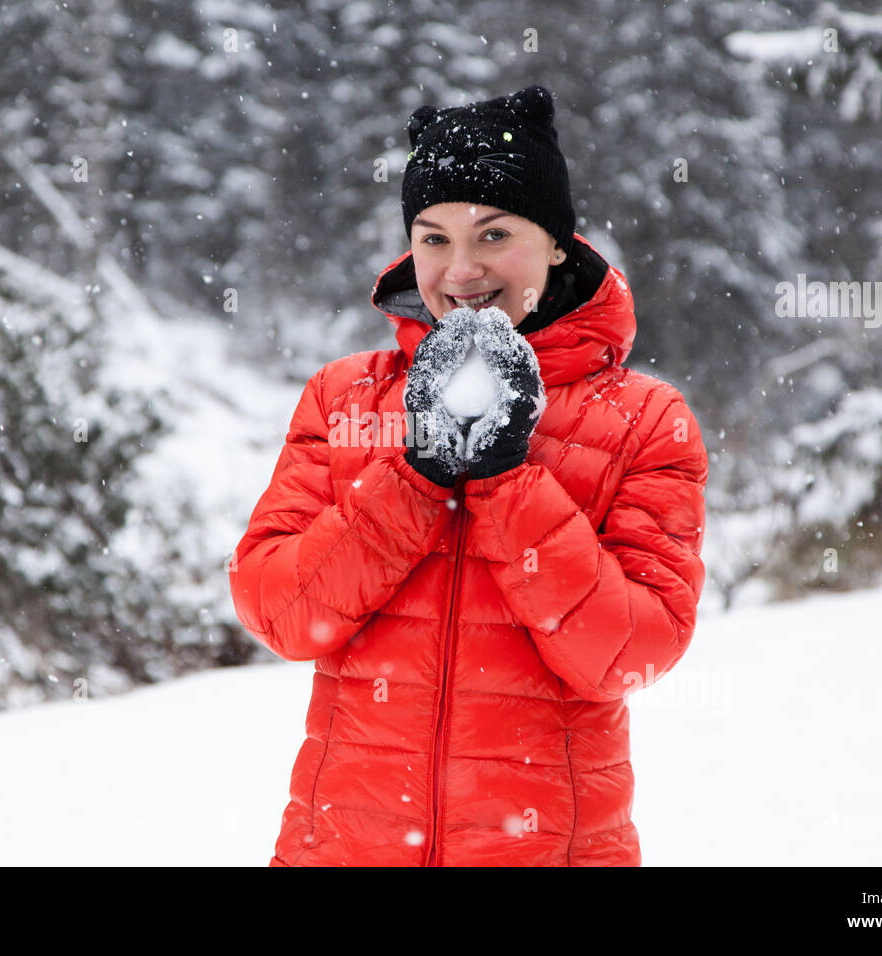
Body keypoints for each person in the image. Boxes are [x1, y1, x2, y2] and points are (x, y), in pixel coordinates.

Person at [229, 84, 708, 866]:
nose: (460, 270)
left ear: (557, 242)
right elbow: (280, 612)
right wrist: (414, 476)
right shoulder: (344, 396)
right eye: (433, 238)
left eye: (493, 235)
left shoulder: (644, 419)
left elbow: (633, 651)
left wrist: (506, 480)